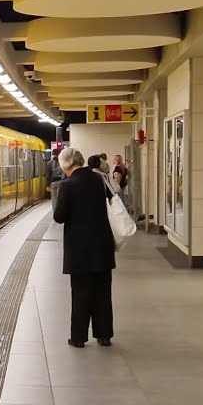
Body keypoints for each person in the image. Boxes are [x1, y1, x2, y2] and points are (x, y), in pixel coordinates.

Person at [52, 148, 116, 348]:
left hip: (79, 249)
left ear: (66, 164)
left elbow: (59, 217)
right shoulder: (99, 180)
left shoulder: (67, 185)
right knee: (103, 292)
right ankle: (104, 335)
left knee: (80, 293)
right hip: (102, 246)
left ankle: (78, 337)